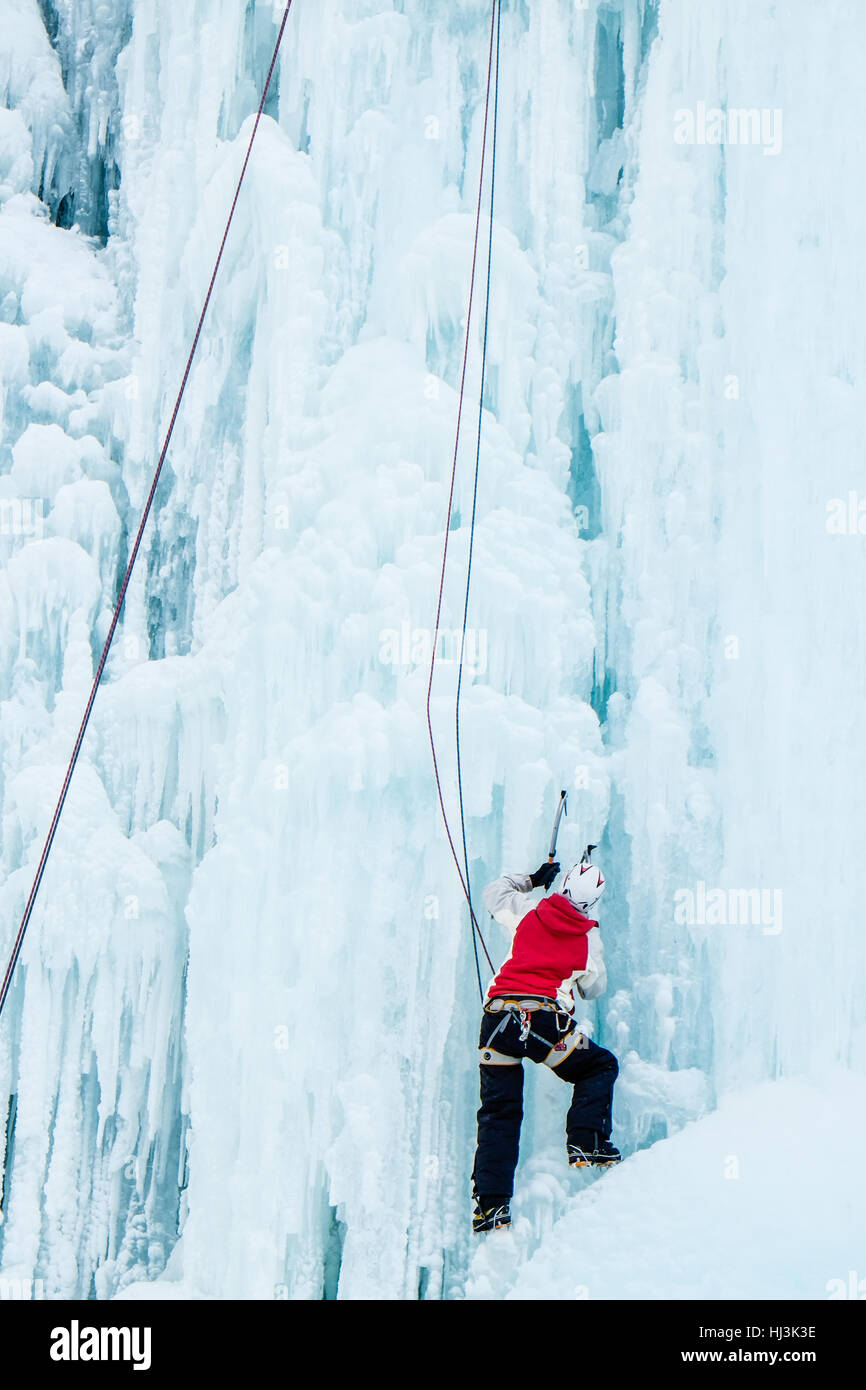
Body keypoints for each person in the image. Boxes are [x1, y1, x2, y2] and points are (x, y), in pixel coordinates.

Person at [471, 850, 621, 1233]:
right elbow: (593, 989)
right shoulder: (589, 939)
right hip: (542, 1025)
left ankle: (490, 1208)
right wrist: (590, 937)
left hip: (497, 1023)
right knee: (598, 1065)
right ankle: (586, 1142)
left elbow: (493, 893)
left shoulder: (528, 909)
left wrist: (535, 879)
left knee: (498, 1116)